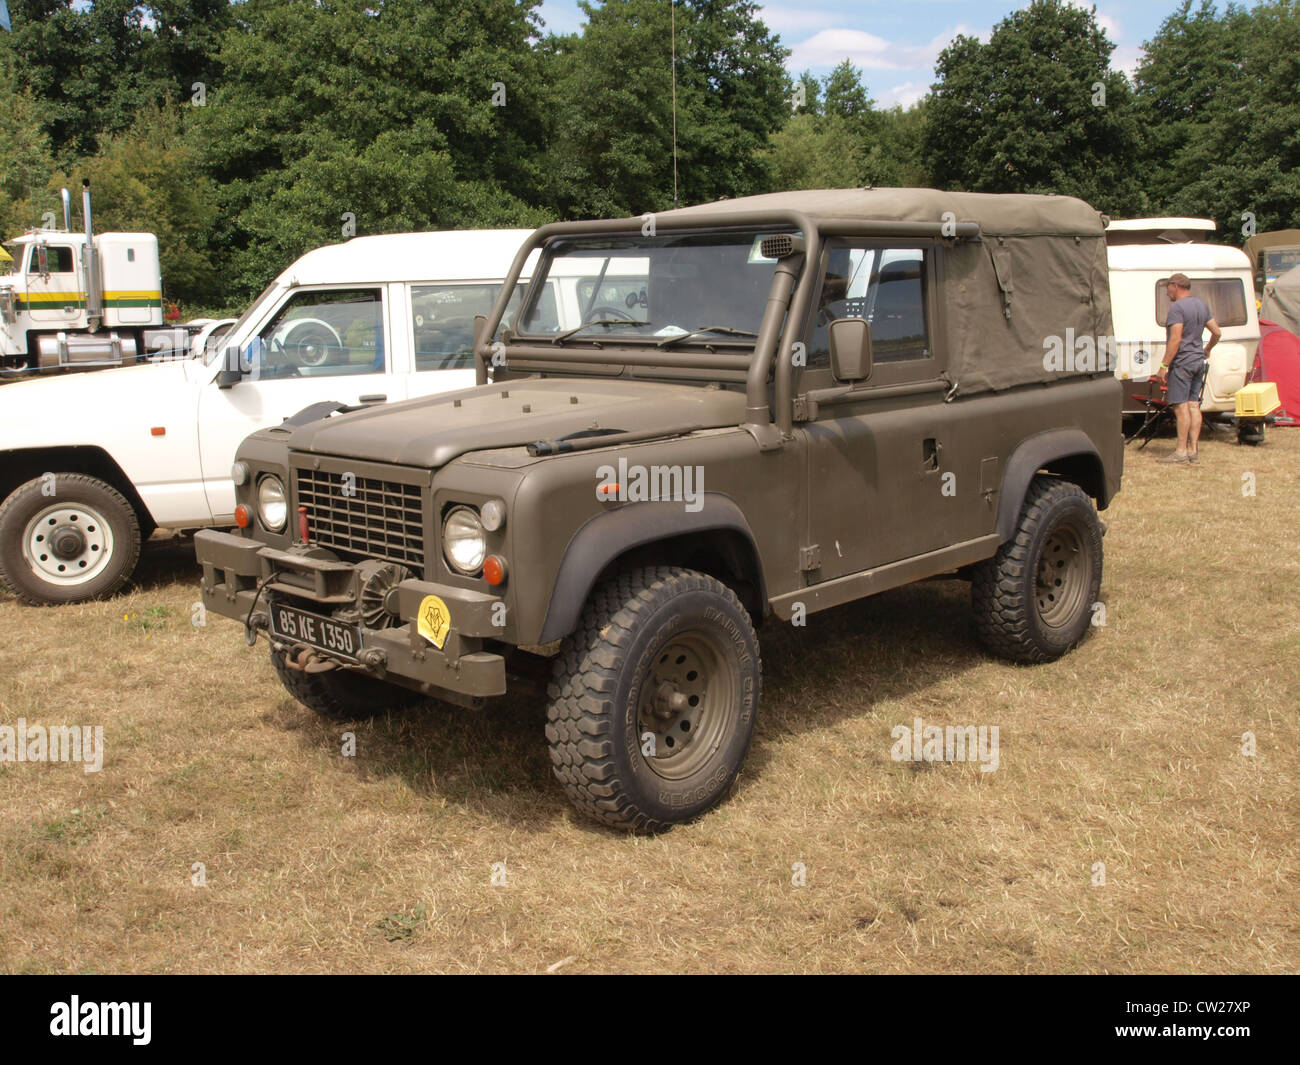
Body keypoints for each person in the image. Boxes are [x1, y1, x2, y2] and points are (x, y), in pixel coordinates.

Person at [1154, 272, 1220, 465]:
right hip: (1198, 361)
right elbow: (1216, 331)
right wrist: (1207, 349)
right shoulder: (1201, 305)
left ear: (1176, 285)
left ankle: (1181, 451)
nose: (1167, 293)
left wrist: (1164, 365)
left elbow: (1175, 339)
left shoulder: (1177, 308)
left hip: (1182, 362)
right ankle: (1193, 450)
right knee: (1194, 405)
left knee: (1181, 406)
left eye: (1168, 288)